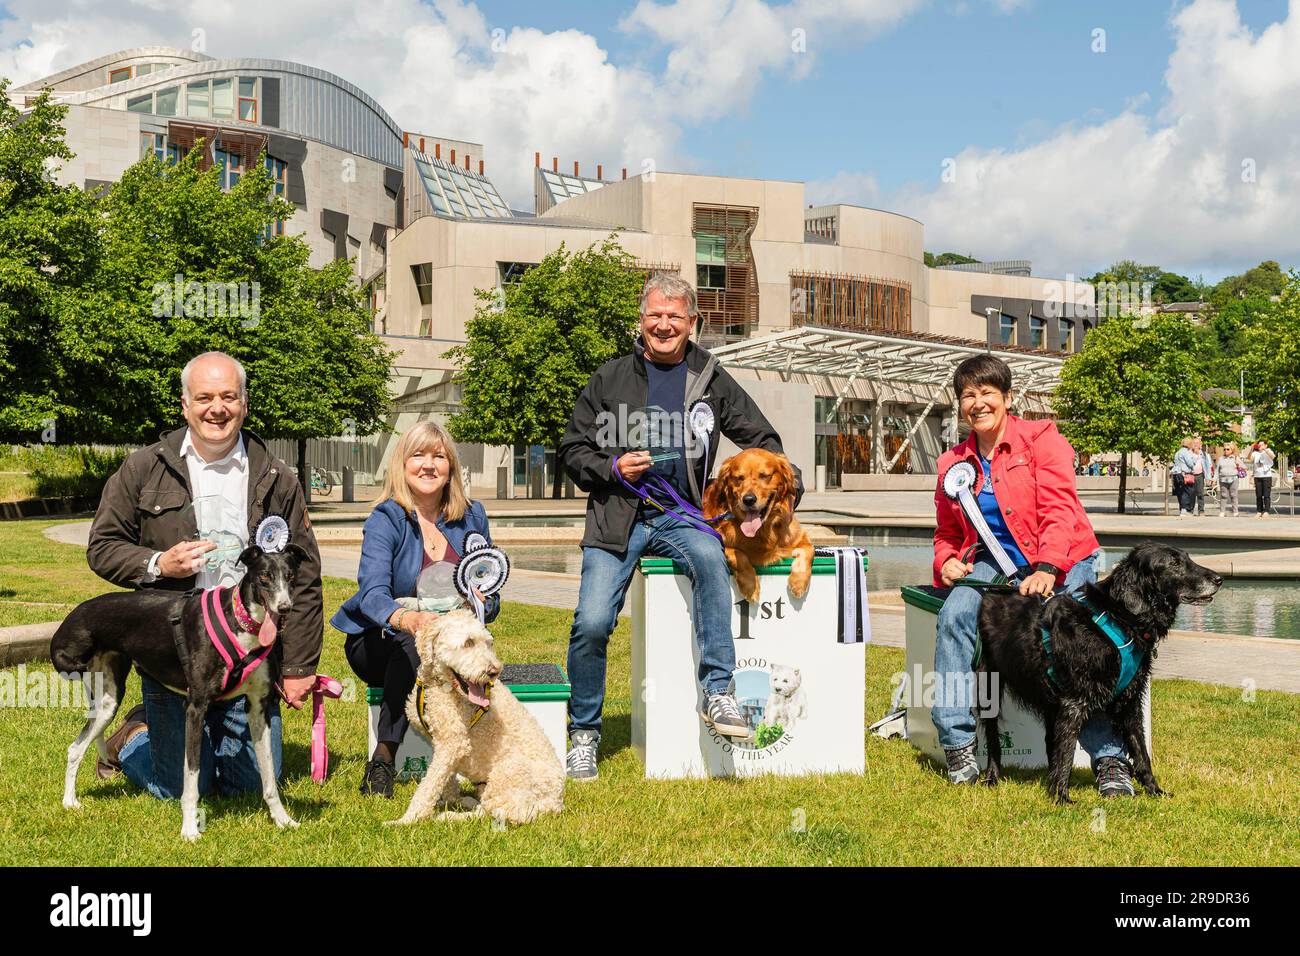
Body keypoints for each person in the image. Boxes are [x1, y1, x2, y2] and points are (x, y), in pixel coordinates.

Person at [558, 272, 803, 781]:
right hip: (616, 517)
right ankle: (584, 733)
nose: (664, 324)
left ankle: (719, 693)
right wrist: (611, 468)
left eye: (675, 316)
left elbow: (763, 436)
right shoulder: (609, 378)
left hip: (682, 515)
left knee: (713, 558)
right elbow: (571, 450)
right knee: (593, 622)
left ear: (693, 322)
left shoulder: (711, 379)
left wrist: (789, 478)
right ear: (640, 321)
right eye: (655, 315)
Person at [87, 351, 323, 799]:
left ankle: (204, 734)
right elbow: (101, 547)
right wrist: (159, 563)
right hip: (173, 650)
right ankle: (131, 738)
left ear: (245, 404)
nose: (217, 408)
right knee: (178, 790)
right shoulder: (142, 467)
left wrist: (297, 667)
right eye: (205, 397)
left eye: (229, 396)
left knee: (250, 790)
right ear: (185, 405)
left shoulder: (277, 477)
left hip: (247, 650)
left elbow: (305, 579)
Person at [932, 354, 1137, 797]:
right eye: (968, 395)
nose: (978, 402)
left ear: (1007, 398)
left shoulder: (1042, 439)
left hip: (1061, 556)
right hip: (992, 563)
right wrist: (946, 559)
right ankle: (958, 747)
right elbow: (946, 532)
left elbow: (1061, 510)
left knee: (1075, 648)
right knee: (953, 617)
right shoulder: (952, 463)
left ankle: (1109, 760)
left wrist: (1048, 566)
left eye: (988, 392)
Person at [331, 421, 499, 797]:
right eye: (418, 455)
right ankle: (383, 760)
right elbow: (372, 595)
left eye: (438, 456)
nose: (428, 465)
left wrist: (484, 601)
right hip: (379, 639)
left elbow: (491, 590)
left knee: (463, 654)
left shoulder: (473, 516)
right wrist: (412, 620)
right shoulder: (386, 518)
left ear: (451, 467)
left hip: (446, 643)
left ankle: (473, 763)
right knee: (415, 646)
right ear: (402, 465)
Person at [1171, 437, 1197, 517]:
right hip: (1184, 474)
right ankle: (1185, 510)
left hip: (1176, 474)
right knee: (1188, 491)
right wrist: (1194, 460)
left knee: (1180, 492)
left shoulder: (1177, 452)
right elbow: (1190, 463)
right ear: (1189, 444)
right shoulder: (1186, 452)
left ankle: (1182, 509)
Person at [1187, 437, 1213, 516]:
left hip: (1200, 475)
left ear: (1200, 445)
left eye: (1197, 443)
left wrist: (1208, 478)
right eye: (1194, 443)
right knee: (1191, 494)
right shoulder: (1189, 453)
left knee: (1200, 493)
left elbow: (1208, 467)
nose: (1195, 444)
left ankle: (1201, 510)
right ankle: (1190, 510)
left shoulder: (1204, 454)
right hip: (1191, 475)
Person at [1215, 442, 1242, 517]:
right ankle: (1222, 511)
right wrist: (1214, 479)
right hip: (1223, 479)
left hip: (1233, 478)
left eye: (1228, 449)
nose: (1226, 451)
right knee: (1223, 495)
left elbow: (1244, 467)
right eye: (1224, 449)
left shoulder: (1235, 458)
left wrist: (1238, 464)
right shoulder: (1220, 459)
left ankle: (1235, 511)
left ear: (1232, 450)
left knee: (1233, 495)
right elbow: (1217, 470)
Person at [1251, 440, 1276, 517]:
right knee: (1258, 495)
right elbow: (1250, 459)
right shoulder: (1255, 453)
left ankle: (1266, 511)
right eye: (1259, 445)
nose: (1260, 446)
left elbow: (1273, 456)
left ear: (1266, 445)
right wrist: (1251, 449)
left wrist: (1264, 450)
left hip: (1266, 476)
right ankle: (1259, 511)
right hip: (1257, 476)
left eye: (1262, 444)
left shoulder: (1268, 451)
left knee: (1266, 495)